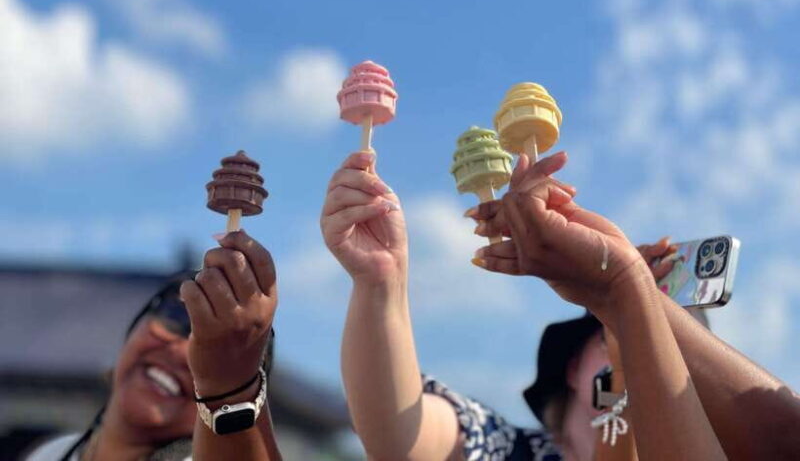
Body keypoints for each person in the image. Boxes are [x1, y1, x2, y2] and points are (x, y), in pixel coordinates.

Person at [321, 150, 726, 461]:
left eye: (669, 355)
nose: (647, 354)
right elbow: (398, 436)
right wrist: (381, 281)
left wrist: (625, 370)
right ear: (572, 365)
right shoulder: (508, 450)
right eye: (612, 332)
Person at [25, 231, 282, 461]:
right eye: (175, 317)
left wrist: (230, 388)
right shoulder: (52, 453)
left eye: (218, 353)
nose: (186, 352)